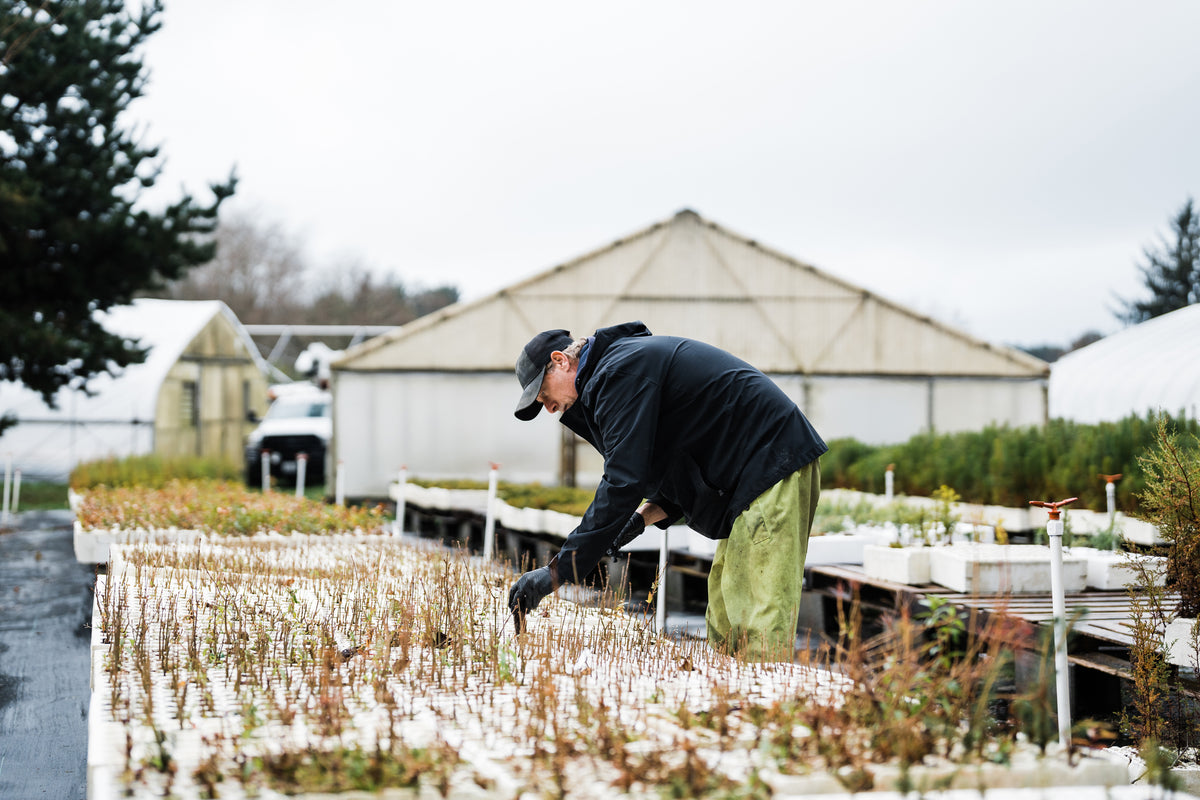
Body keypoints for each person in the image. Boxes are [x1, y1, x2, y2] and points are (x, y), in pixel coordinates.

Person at [507, 321, 827, 661]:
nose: (550, 407)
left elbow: (623, 480)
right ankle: (732, 701)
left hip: (772, 464)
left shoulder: (620, 372)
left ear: (560, 361)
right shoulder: (619, 371)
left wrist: (557, 573)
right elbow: (670, 468)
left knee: (757, 613)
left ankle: (767, 705)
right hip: (749, 479)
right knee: (725, 607)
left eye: (544, 394)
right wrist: (636, 521)